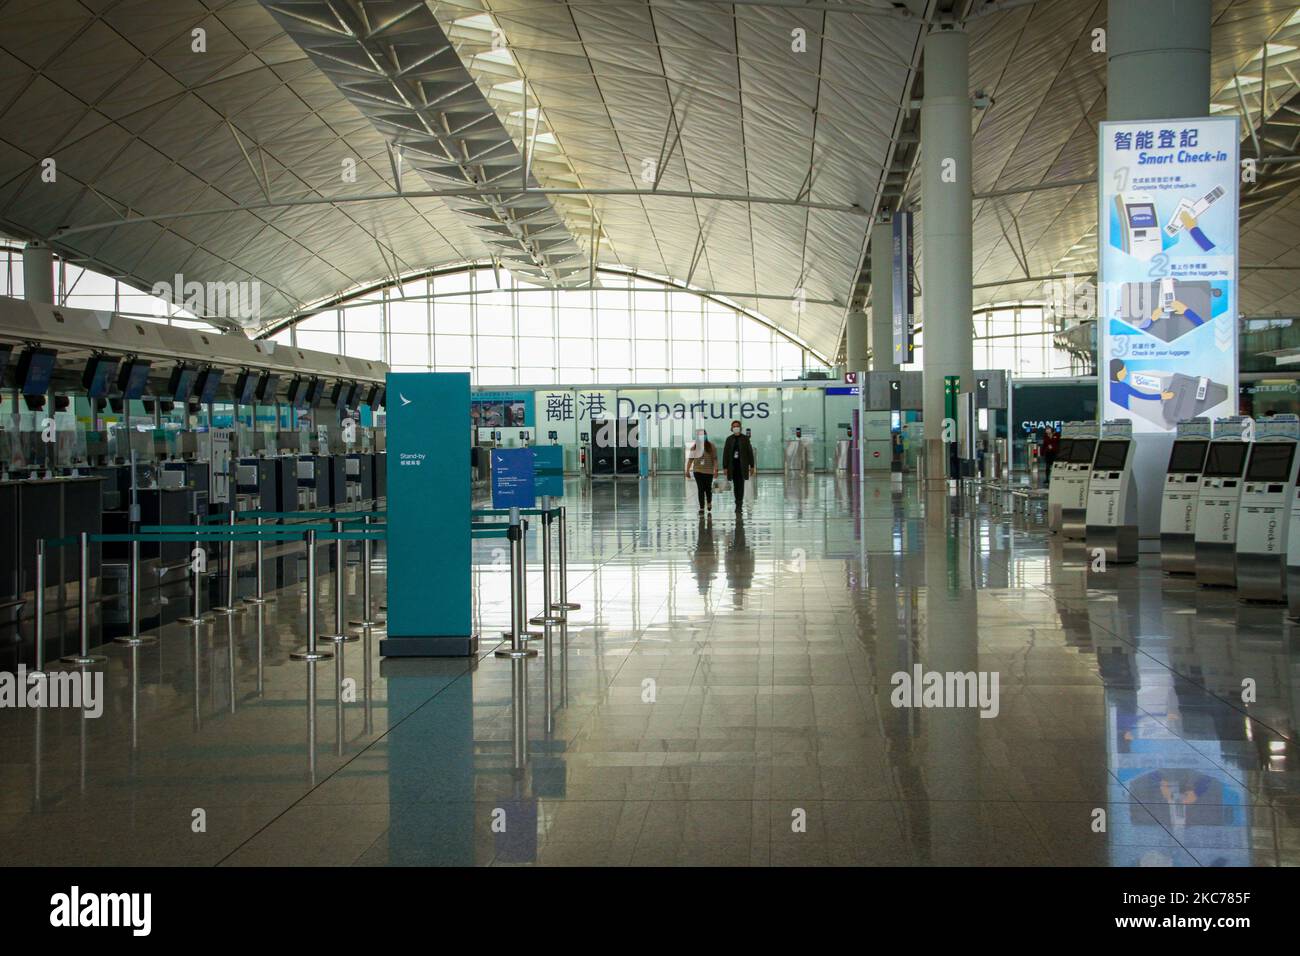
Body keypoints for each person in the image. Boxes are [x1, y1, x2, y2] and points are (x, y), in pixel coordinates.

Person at [721, 419, 756, 511]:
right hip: (733, 466)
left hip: (742, 466)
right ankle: (737, 502)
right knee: (736, 485)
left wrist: (752, 466)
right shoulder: (729, 439)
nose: (736, 428)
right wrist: (724, 466)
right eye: (734, 426)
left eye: (737, 426)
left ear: (740, 428)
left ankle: (739, 504)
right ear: (731, 428)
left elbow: (749, 452)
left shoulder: (745, 439)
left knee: (741, 485)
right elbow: (725, 453)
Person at [685, 428, 718, 513]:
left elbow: (715, 459)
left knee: (708, 489)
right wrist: (687, 470)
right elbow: (690, 460)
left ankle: (709, 502)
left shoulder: (711, 446)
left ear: (706, 435)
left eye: (703, 434)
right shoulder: (694, 447)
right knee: (700, 489)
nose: (702, 436)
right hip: (698, 471)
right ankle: (702, 507)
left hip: (708, 471)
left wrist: (716, 470)